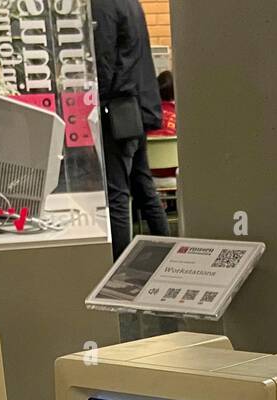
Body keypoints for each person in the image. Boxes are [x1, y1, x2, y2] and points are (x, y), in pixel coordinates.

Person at [93, 0, 169, 258]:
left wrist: (93, 98)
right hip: (138, 106)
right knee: (143, 186)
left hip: (116, 108)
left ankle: (118, 265)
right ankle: (169, 253)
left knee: (117, 194)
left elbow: (103, 60)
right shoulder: (131, 4)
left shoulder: (101, 6)